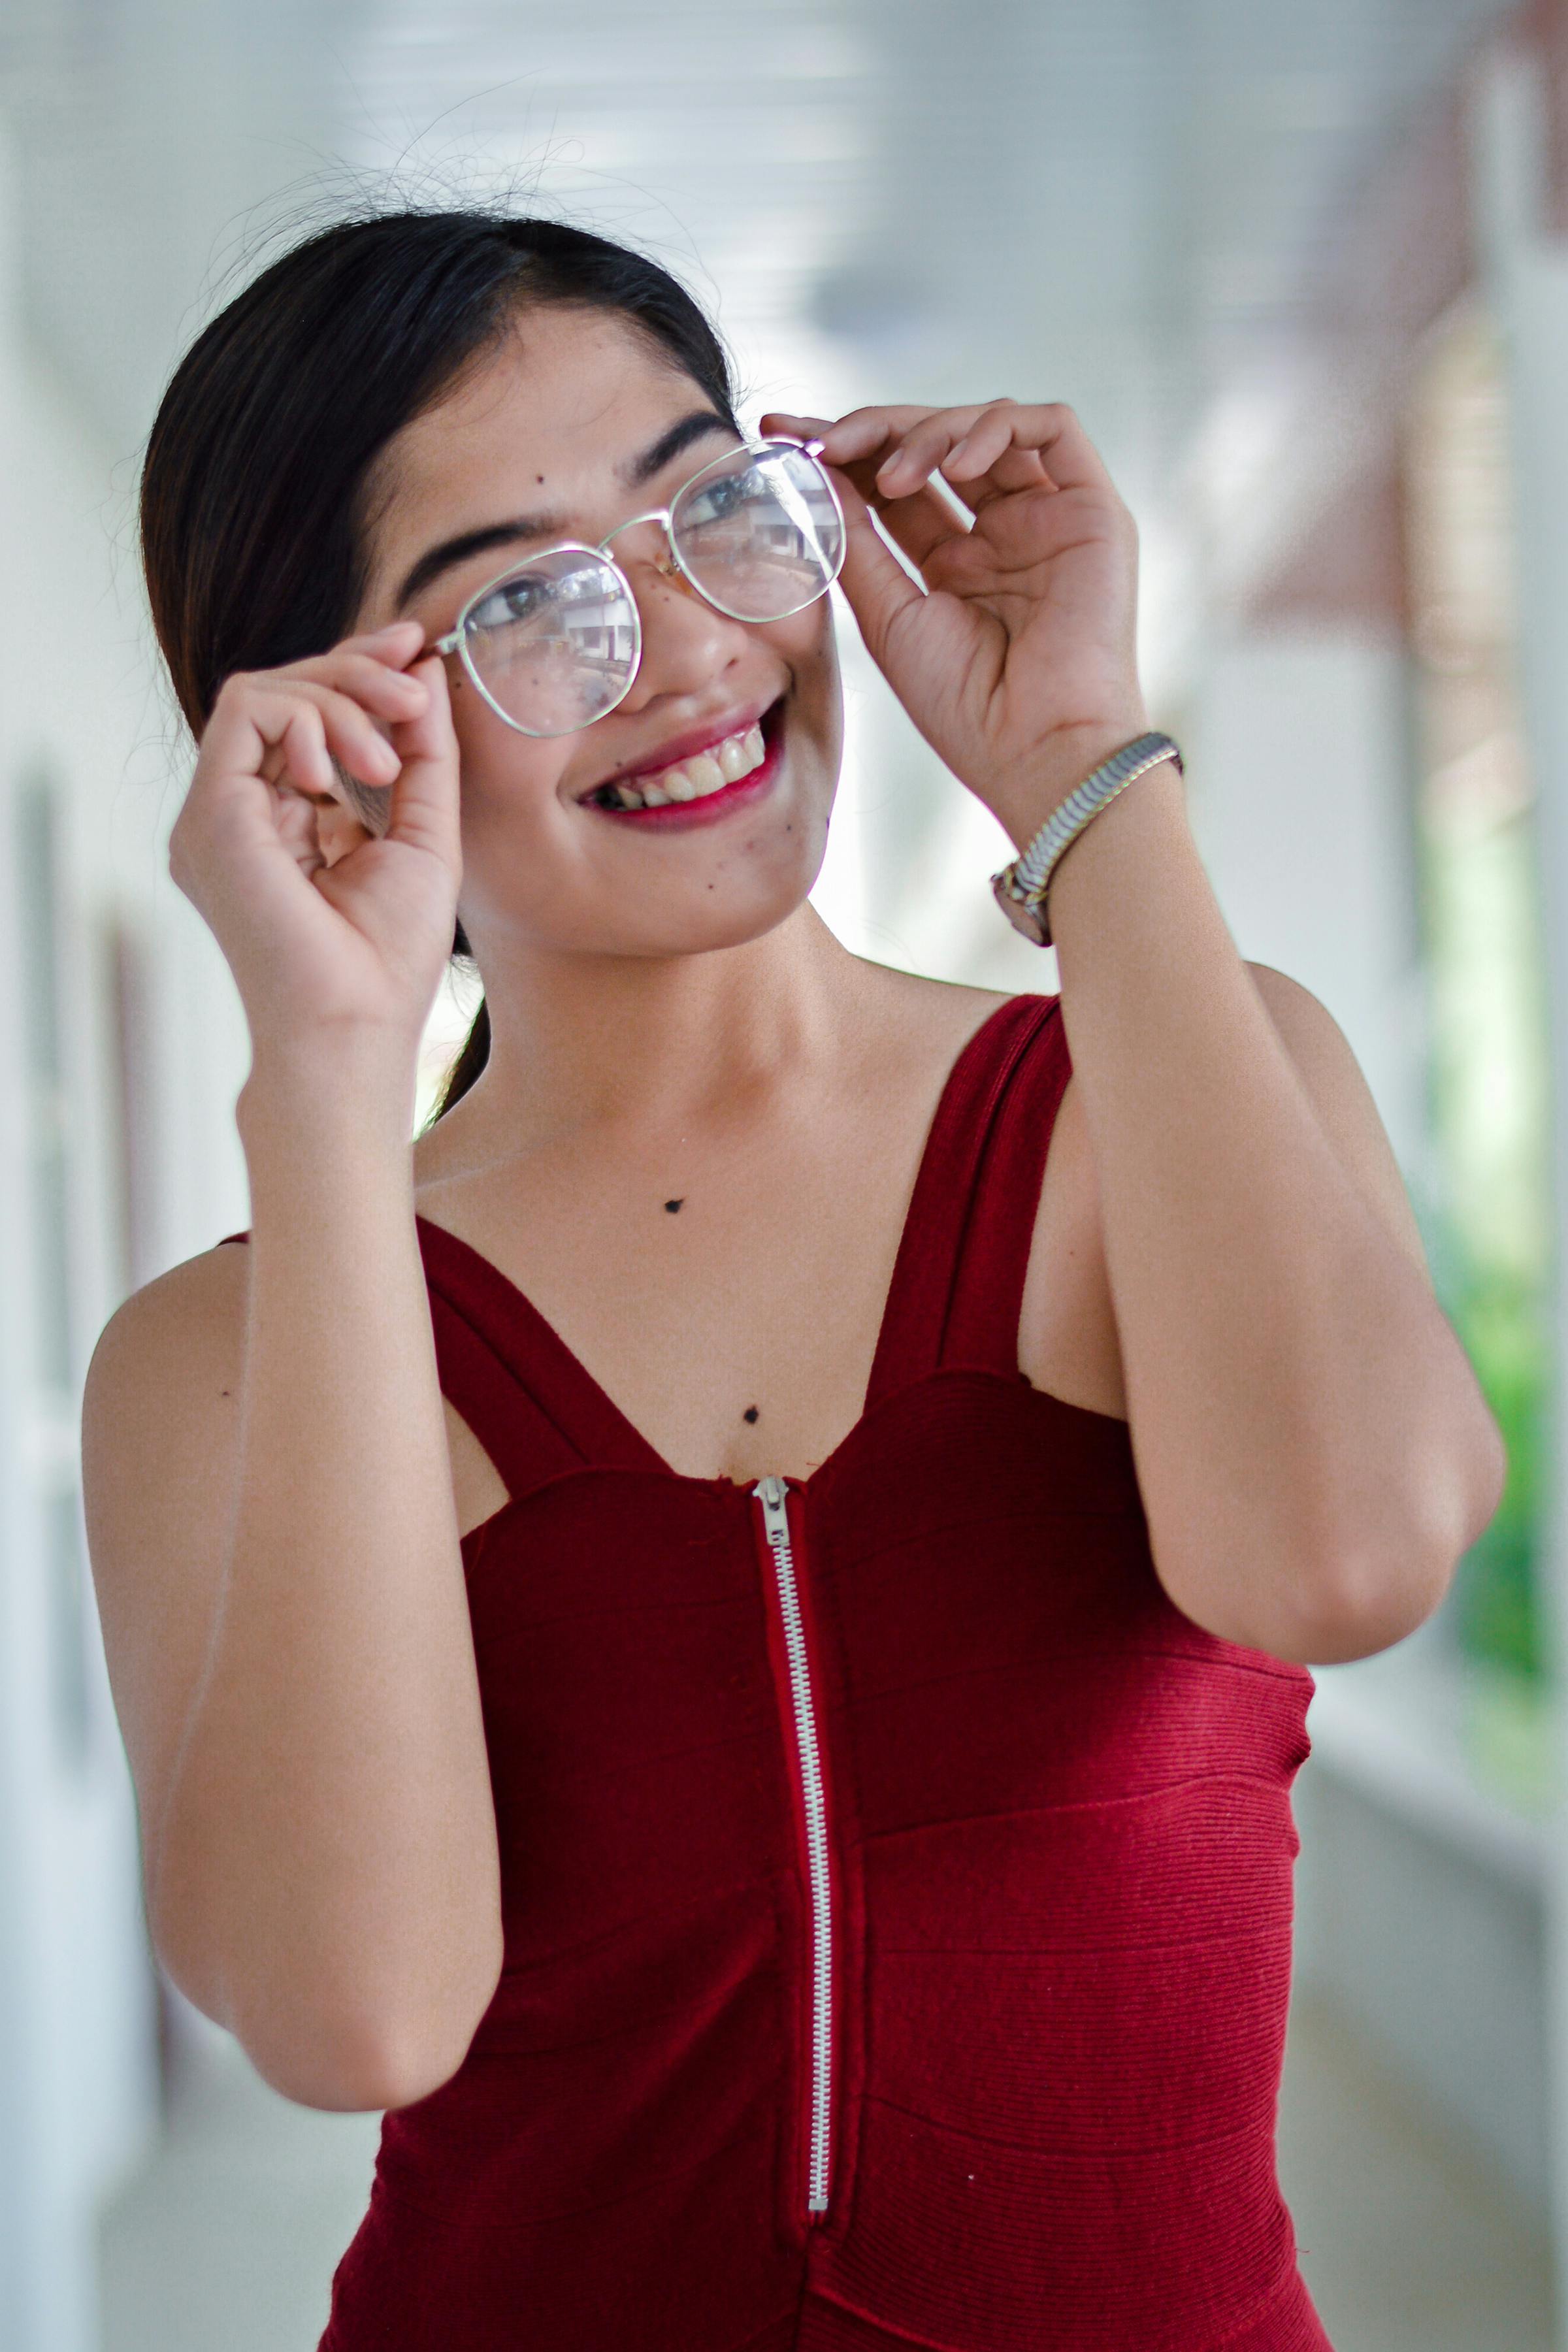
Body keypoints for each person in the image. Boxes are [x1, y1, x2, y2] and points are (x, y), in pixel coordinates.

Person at [81, 208, 1504, 2351]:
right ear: (329, 731)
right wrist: (323, 1078)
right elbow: (353, 2006)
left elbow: (1352, 1559)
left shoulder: (1173, 1085)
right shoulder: (221, 1353)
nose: (685, 648)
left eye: (708, 514)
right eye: (525, 604)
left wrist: (1080, 761)